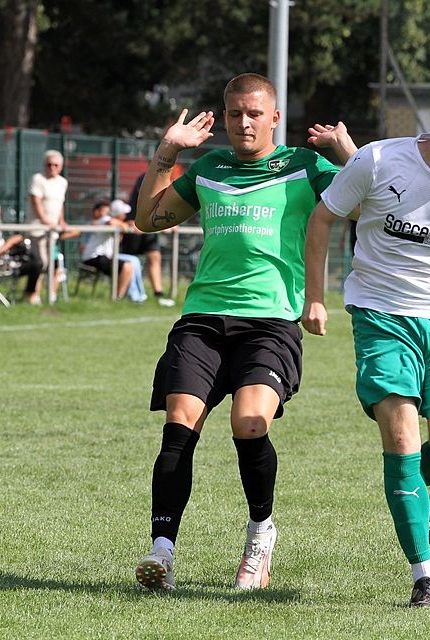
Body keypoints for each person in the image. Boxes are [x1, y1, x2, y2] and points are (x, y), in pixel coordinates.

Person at [302, 70, 430, 608]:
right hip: (381, 316)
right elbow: (324, 219)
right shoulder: (376, 159)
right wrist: (316, 296)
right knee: (399, 440)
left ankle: (413, 496)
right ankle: (425, 574)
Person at [132, 72, 348, 592]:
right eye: (235, 113)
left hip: (271, 322)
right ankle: (162, 553)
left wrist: (348, 155)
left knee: (251, 422)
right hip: (203, 318)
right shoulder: (208, 168)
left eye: (254, 113)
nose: (243, 122)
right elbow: (148, 219)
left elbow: (368, 200)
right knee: (180, 422)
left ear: (275, 117)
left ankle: (260, 535)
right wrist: (166, 154)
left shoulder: (303, 165)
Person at [119, 177, 176, 306]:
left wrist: (172, 220)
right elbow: (148, 200)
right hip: (137, 223)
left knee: (155, 256)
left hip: (151, 224)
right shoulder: (147, 177)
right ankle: (127, 294)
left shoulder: (169, 179)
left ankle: (158, 294)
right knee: (131, 260)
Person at [79, 201, 147, 302]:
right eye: (123, 214)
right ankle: (119, 297)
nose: (125, 216)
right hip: (94, 257)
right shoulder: (105, 219)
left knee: (132, 263)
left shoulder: (116, 222)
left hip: (105, 257)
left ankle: (127, 296)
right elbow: (111, 222)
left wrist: (127, 225)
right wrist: (124, 225)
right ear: (117, 214)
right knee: (127, 266)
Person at [27, 149, 69, 304]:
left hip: (52, 231)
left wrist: (61, 221)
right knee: (41, 262)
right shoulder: (38, 179)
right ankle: (33, 294)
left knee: (51, 263)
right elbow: (35, 201)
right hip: (37, 229)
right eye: (49, 164)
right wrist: (45, 220)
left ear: (61, 166)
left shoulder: (62, 182)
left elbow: (59, 204)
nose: (52, 167)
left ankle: (50, 295)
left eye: (55, 165)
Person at [0, 201, 43, 301]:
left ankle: (30, 294)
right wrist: (10, 243)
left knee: (32, 256)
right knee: (36, 264)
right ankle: (29, 295)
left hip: (4, 262)